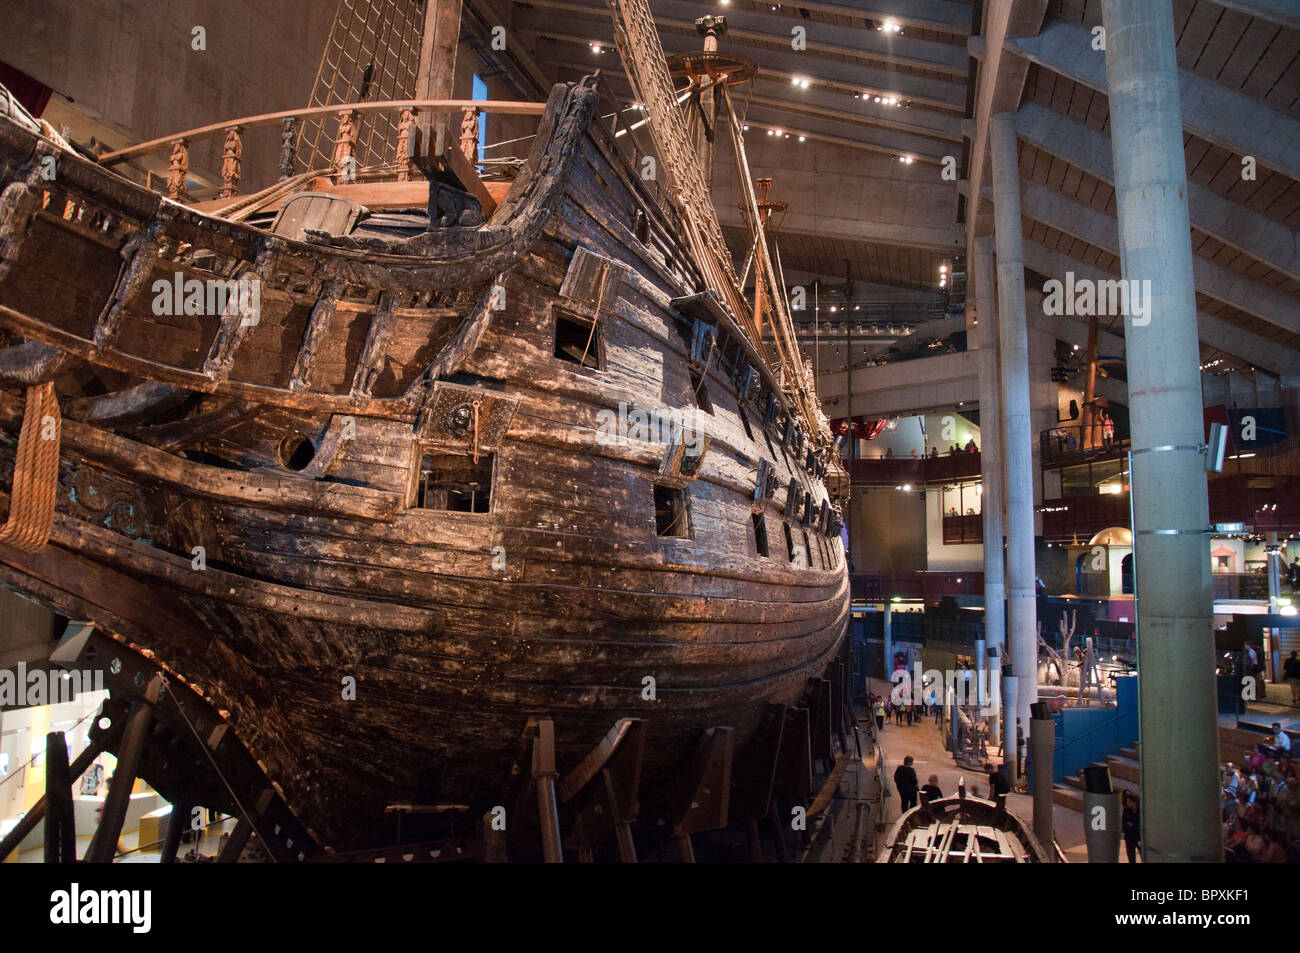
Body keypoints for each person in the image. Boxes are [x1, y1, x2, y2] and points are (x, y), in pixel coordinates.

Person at [1121, 791, 1141, 863]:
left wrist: (1132, 825)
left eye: (1129, 801)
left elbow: (1140, 824)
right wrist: (1134, 826)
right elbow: (1124, 825)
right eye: (1127, 801)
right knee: (1131, 858)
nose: (1127, 803)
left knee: (1144, 856)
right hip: (1129, 838)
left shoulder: (1141, 811)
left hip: (1139, 837)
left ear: (1134, 802)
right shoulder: (1126, 811)